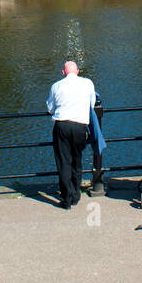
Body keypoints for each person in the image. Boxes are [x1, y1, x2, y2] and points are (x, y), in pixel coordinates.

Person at [45, 61, 96, 209]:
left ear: (63, 73)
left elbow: (50, 108)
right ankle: (76, 194)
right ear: (78, 71)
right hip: (80, 126)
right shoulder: (88, 84)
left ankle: (66, 198)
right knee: (76, 159)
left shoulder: (56, 86)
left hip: (62, 125)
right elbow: (91, 105)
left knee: (63, 161)